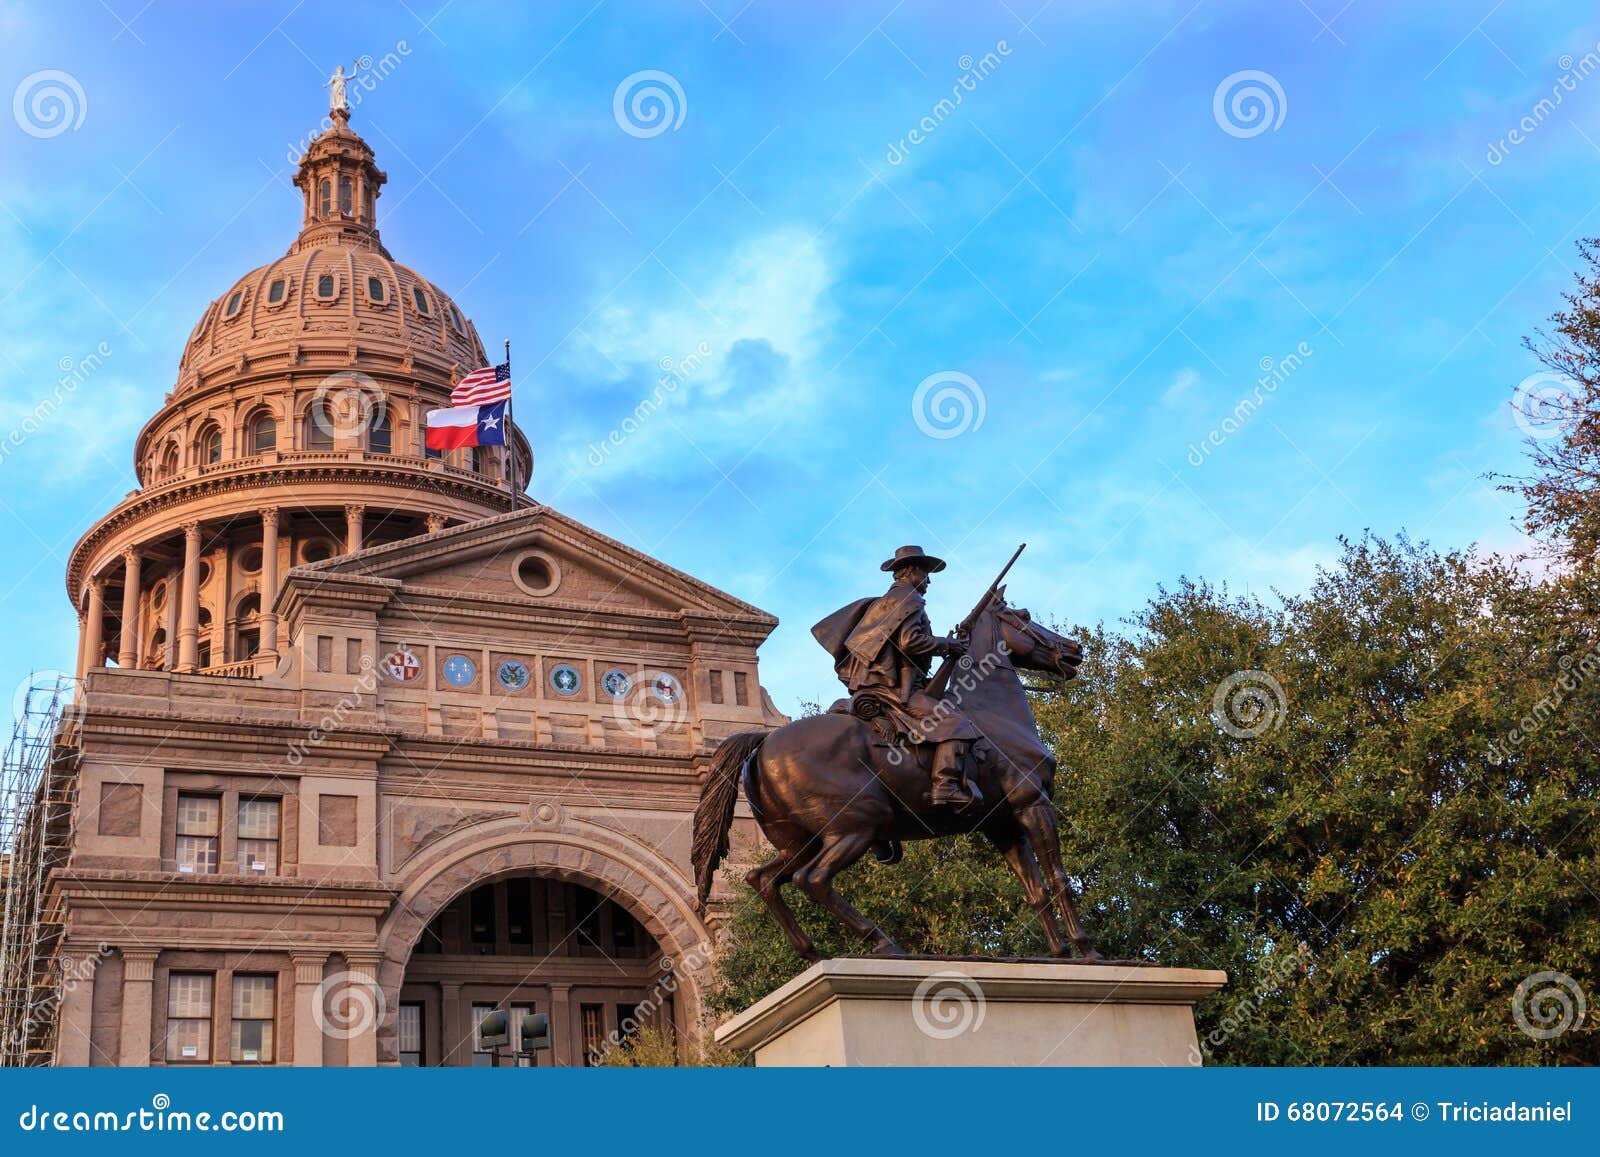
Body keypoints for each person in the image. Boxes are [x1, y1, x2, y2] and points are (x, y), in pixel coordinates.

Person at [812, 545, 983, 807]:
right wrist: (947, 646)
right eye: (925, 573)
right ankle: (945, 784)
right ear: (912, 571)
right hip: (896, 692)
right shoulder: (909, 598)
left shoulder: (886, 602)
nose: (928, 580)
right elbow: (910, 642)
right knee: (957, 722)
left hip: (881, 686)